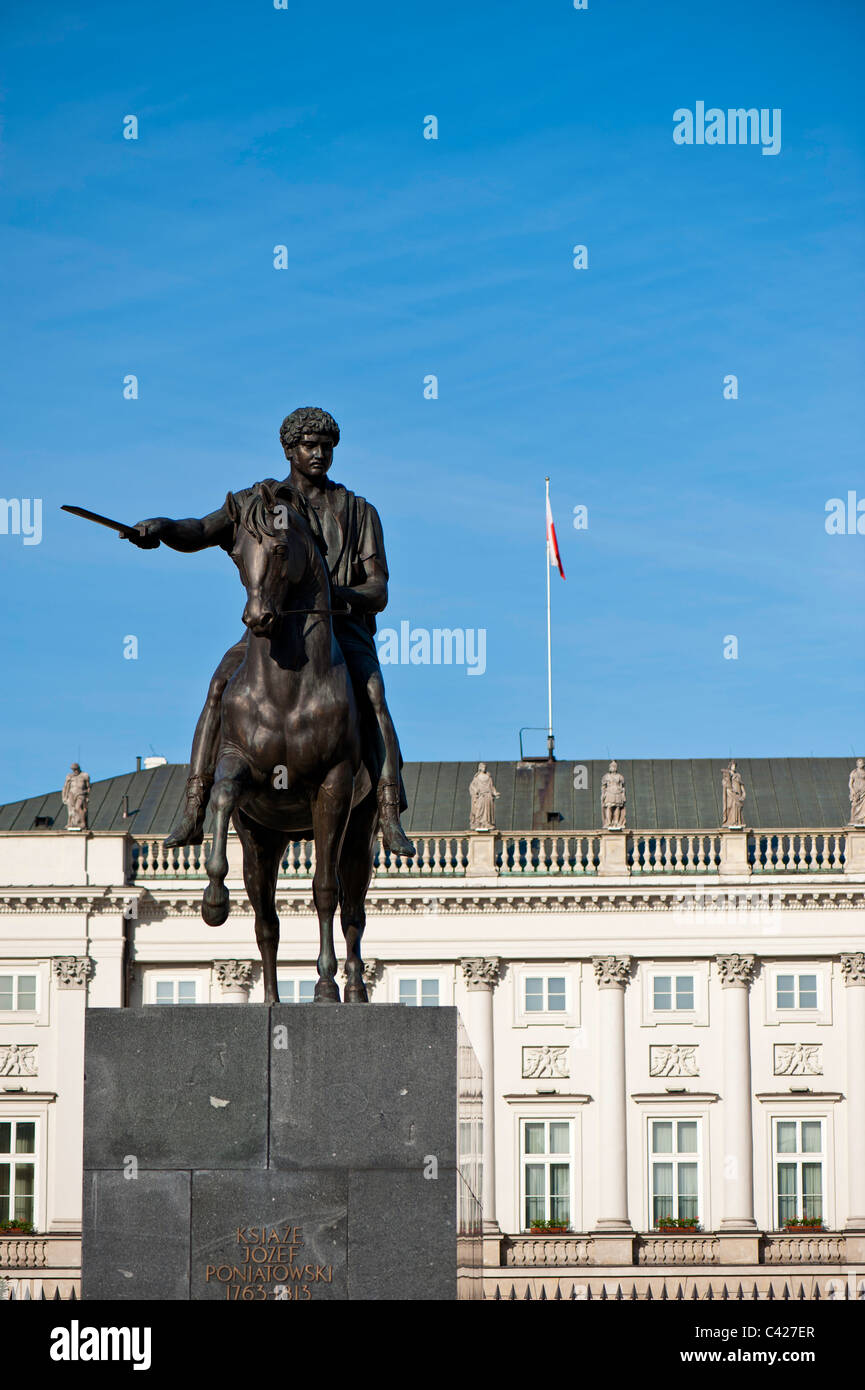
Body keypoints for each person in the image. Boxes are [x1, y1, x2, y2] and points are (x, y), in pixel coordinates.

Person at [127, 406, 414, 856]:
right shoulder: (254, 505)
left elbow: (377, 588)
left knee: (373, 694)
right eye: (309, 446)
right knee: (220, 685)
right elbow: (201, 530)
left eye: (326, 447)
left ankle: (388, 808)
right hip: (269, 631)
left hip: (340, 631)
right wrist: (161, 528)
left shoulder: (359, 512)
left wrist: (340, 596)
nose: (319, 454)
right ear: (289, 450)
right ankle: (195, 805)